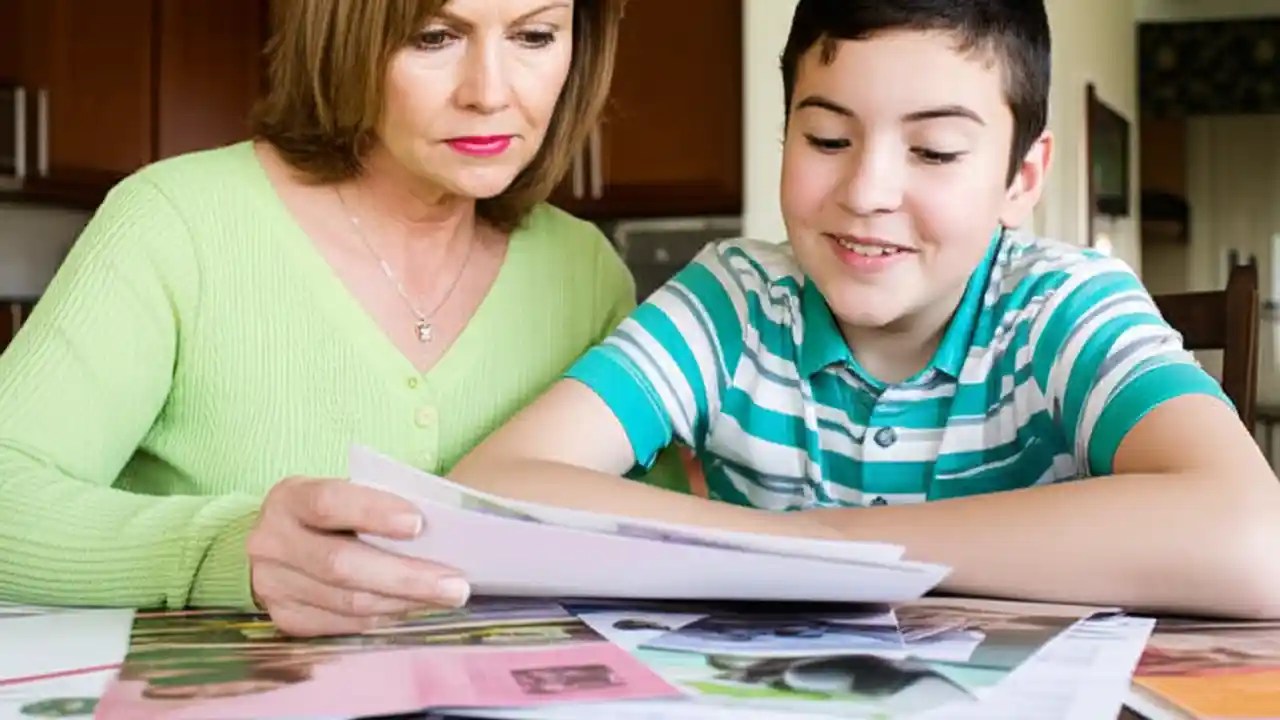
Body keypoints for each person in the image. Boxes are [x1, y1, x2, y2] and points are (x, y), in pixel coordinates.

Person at [449, 0, 1280, 619]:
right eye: (827, 140)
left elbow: (1256, 541)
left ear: (1023, 177)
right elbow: (494, 488)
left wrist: (834, 550)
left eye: (935, 151)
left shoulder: (1061, 305)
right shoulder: (735, 300)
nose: (867, 194)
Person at [0, 0, 681, 637]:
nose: (490, 93)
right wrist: (222, 549)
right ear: (344, 35)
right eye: (434, 37)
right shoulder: (174, 224)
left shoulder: (585, 272)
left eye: (534, 36)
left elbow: (666, 553)